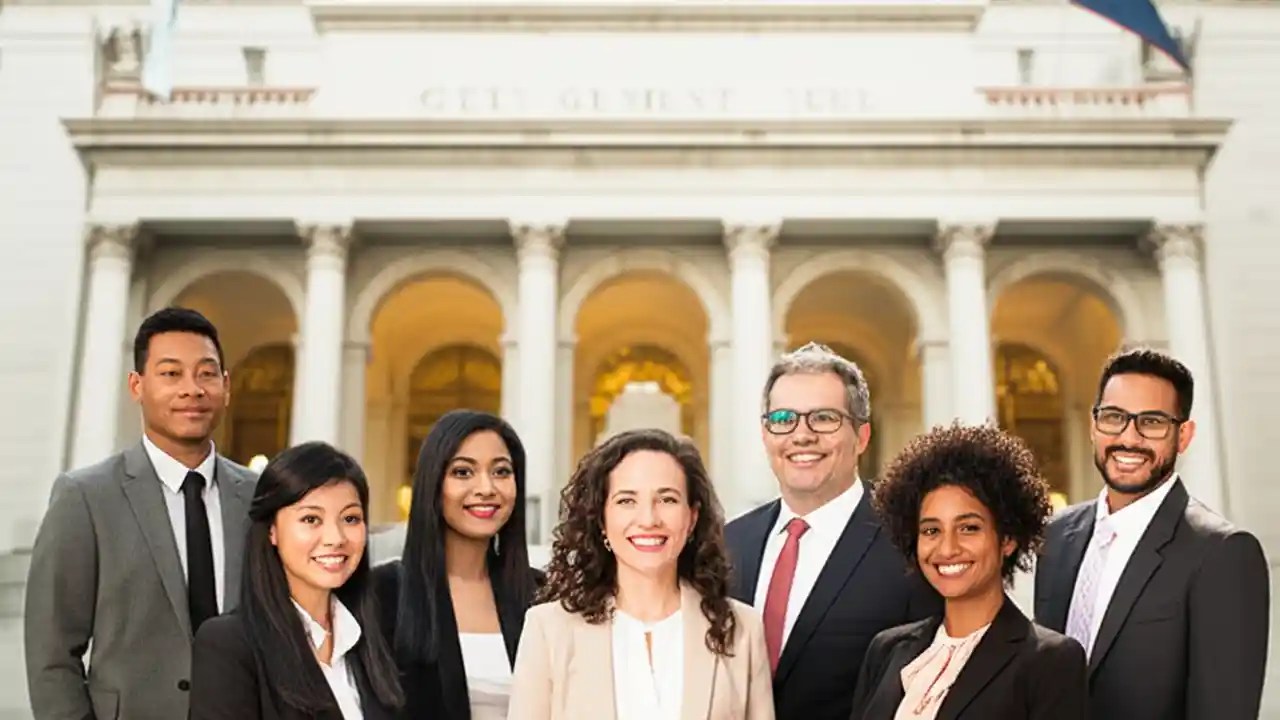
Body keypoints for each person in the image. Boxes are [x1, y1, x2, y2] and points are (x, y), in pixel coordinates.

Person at [25, 307, 257, 720]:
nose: (192, 389)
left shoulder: (258, 498)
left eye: (206, 374)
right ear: (137, 385)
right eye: (171, 374)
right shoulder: (85, 498)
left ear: (226, 386)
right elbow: (52, 653)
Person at [1034, 347, 1270, 720]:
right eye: (1114, 417)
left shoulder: (1222, 553)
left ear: (1183, 435)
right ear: (1094, 426)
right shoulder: (1057, 536)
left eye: (1152, 422)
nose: (1129, 437)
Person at [724, 342, 942, 719]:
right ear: (765, 435)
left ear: (862, 436)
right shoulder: (727, 543)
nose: (802, 435)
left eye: (824, 418)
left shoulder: (911, 541)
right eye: (783, 419)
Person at [508, 428, 774, 719]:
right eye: (626, 501)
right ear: (600, 519)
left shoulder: (741, 629)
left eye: (667, 499)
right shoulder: (548, 629)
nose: (648, 519)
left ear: (692, 517)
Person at [849, 423, 1088, 720]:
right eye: (932, 530)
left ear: (1008, 538)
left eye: (969, 528)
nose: (947, 548)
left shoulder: (1050, 660)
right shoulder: (886, 650)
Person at [190, 441, 404, 719]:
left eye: (350, 518)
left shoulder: (373, 636)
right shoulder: (229, 645)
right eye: (311, 519)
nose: (336, 538)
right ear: (272, 531)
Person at [373, 409, 541, 720]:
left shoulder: (543, 596)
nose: (487, 488)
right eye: (463, 472)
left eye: (502, 472)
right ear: (433, 483)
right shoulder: (382, 594)